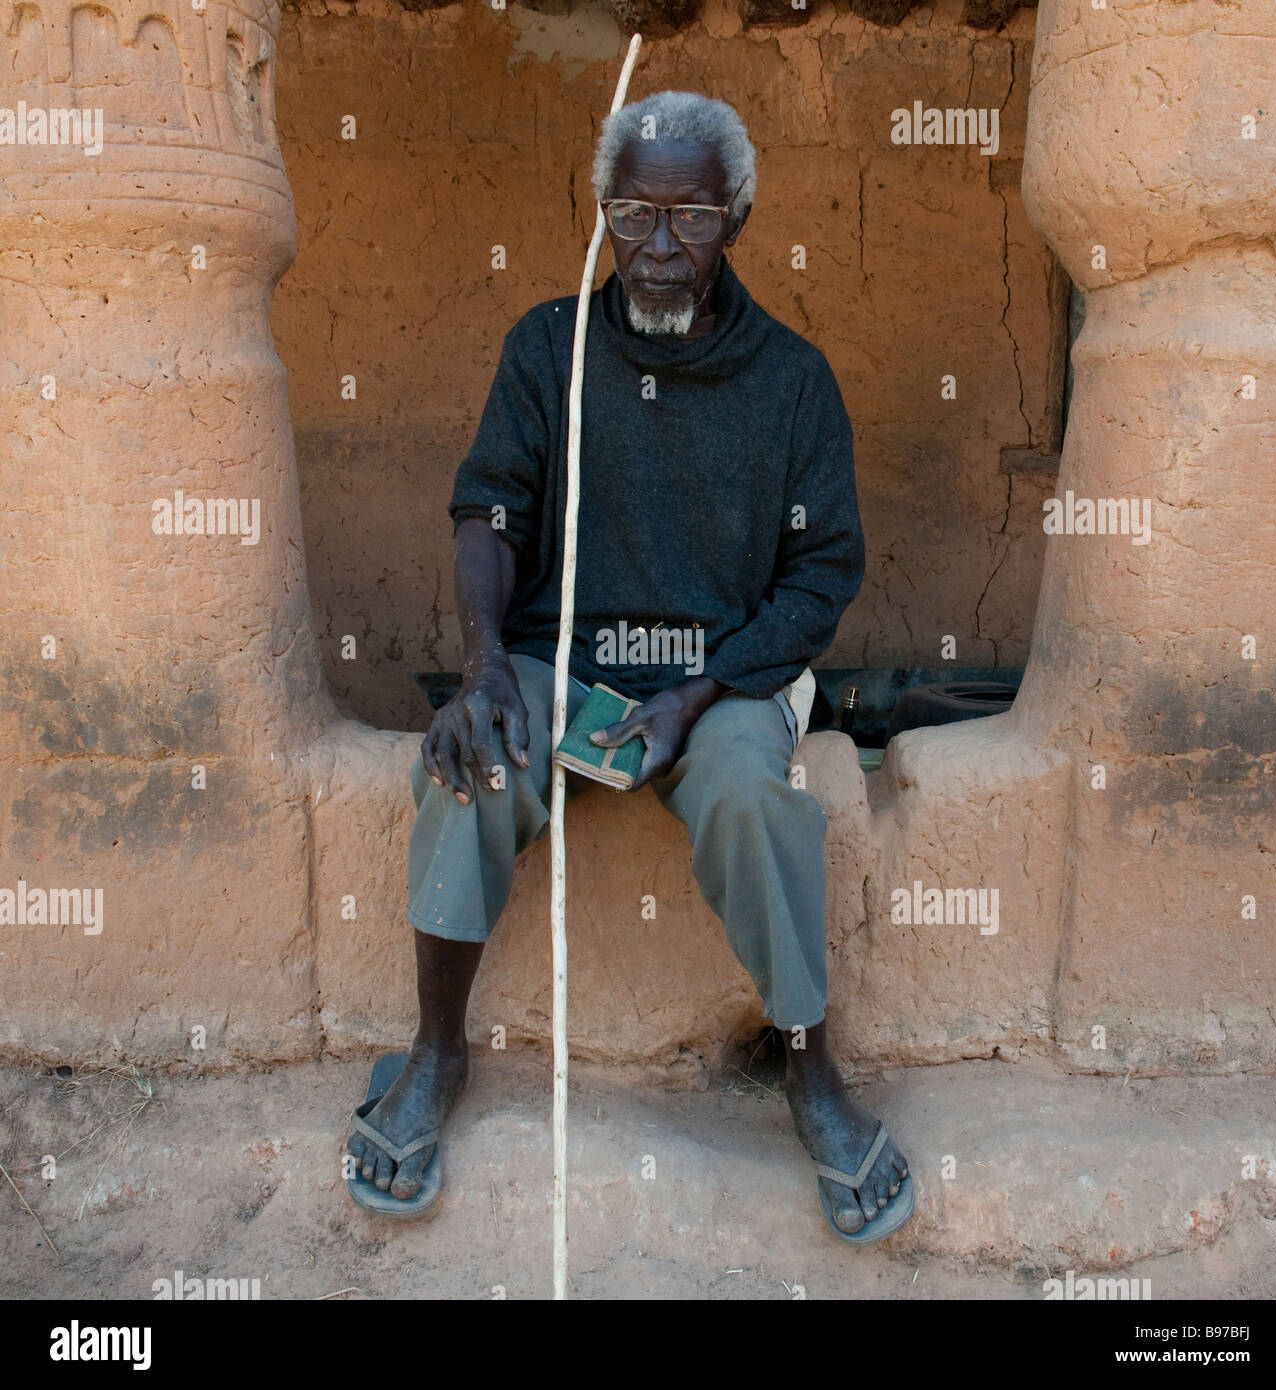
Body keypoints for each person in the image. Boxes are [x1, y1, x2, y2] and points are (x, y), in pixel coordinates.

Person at [346, 90, 912, 1243]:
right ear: (603, 215)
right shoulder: (547, 346)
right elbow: (487, 511)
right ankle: (436, 1051)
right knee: (474, 764)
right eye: (631, 214)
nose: (657, 248)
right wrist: (484, 667)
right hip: (561, 654)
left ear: (735, 219)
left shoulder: (792, 380)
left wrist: (699, 692)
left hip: (724, 673)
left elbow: (821, 574)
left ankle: (812, 1074)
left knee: (755, 795)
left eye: (689, 219)